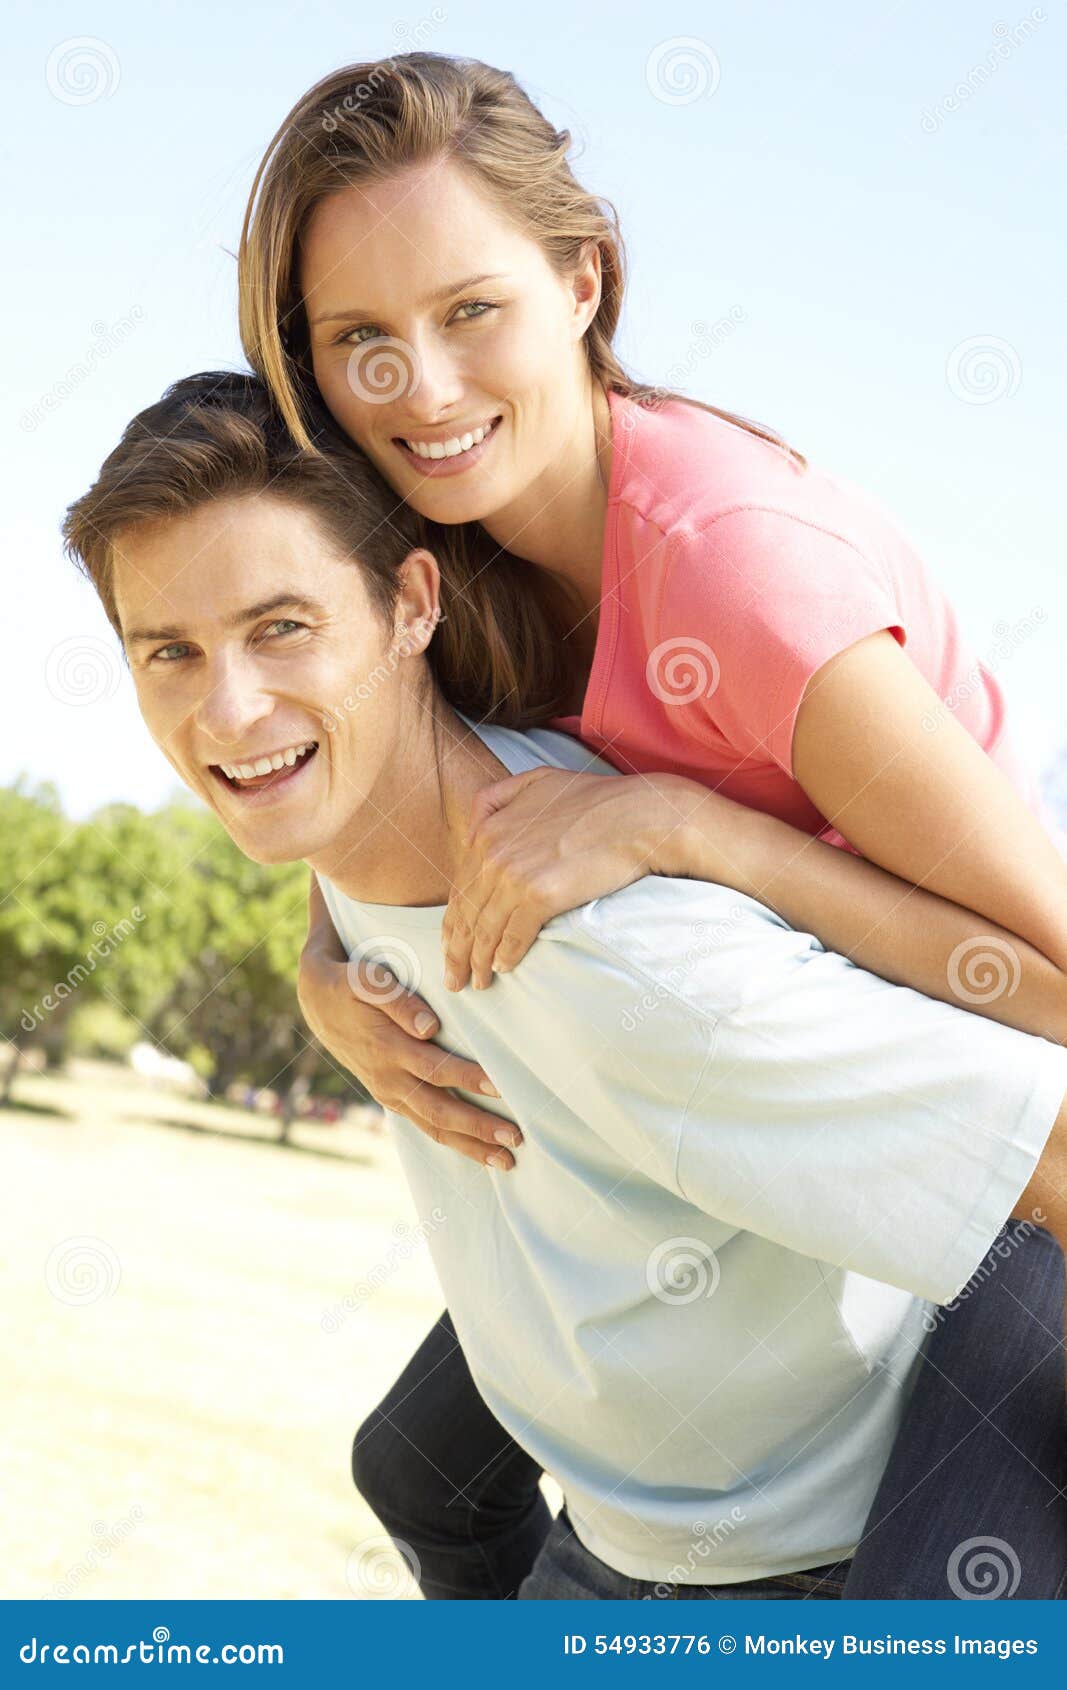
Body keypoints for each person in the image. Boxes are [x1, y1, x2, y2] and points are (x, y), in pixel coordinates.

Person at [235, 54, 1067, 1596]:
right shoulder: (432, 545)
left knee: (912, 1606)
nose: (419, 387)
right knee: (420, 1464)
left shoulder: (736, 577)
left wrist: (695, 825)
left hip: (1017, 1162)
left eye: (467, 309)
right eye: (359, 341)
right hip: (782, 1135)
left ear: (579, 280)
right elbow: (371, 771)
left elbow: (1052, 991)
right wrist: (316, 965)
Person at [62, 372, 1067, 1600]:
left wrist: (716, 838)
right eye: (169, 651)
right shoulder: (375, 824)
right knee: (415, 1467)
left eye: (282, 628)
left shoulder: (622, 956)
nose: (226, 710)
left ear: (409, 604)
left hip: (775, 1578)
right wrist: (316, 959)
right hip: (616, 1530)